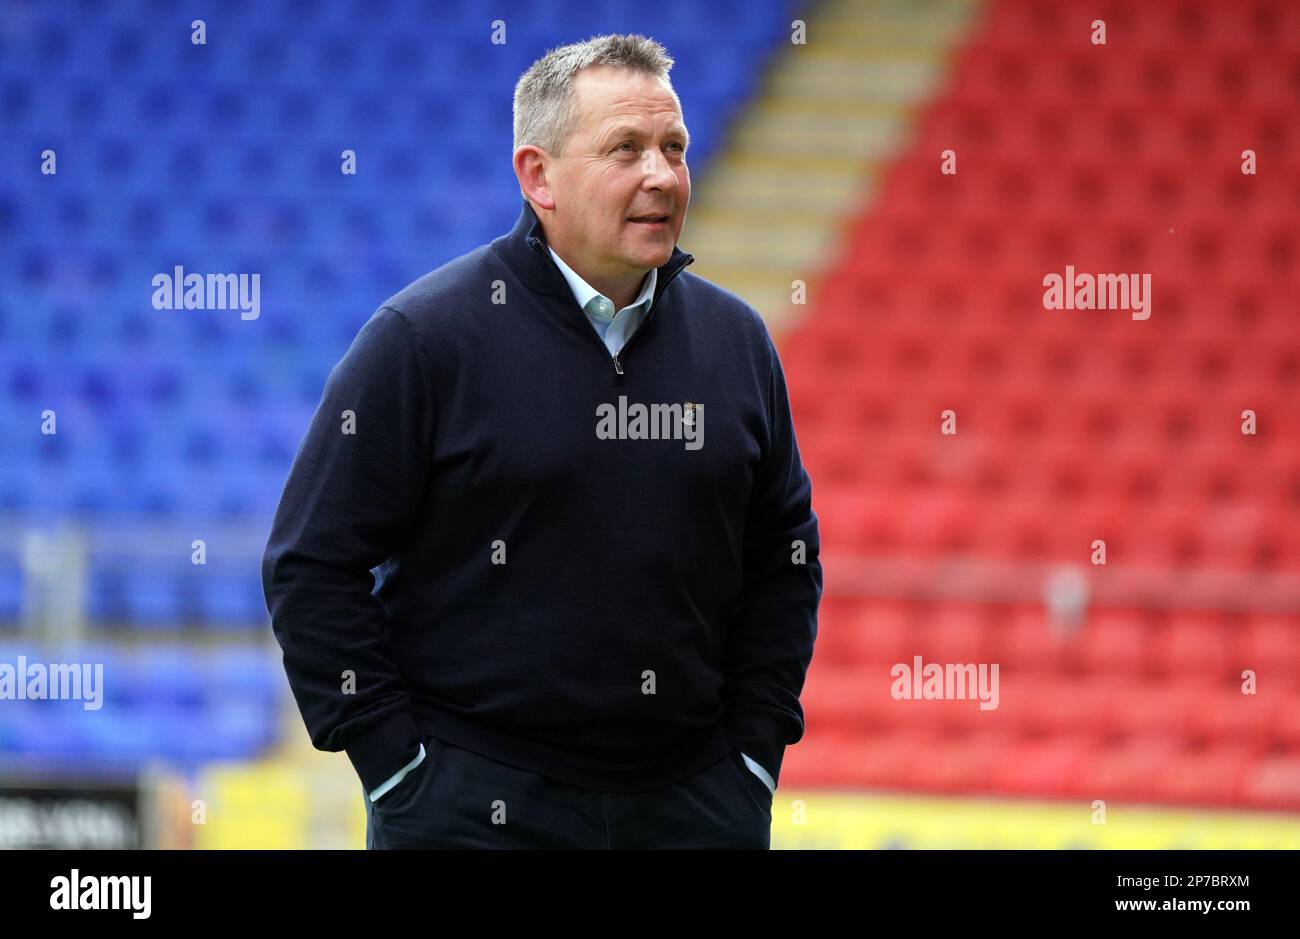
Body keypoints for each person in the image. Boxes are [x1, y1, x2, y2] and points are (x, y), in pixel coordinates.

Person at [262, 33, 821, 849]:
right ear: (538, 176)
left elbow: (785, 556)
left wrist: (754, 758)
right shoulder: (424, 338)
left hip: (692, 807)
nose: (661, 175)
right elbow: (310, 561)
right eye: (625, 149)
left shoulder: (737, 341)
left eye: (674, 148)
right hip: (472, 812)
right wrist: (396, 766)